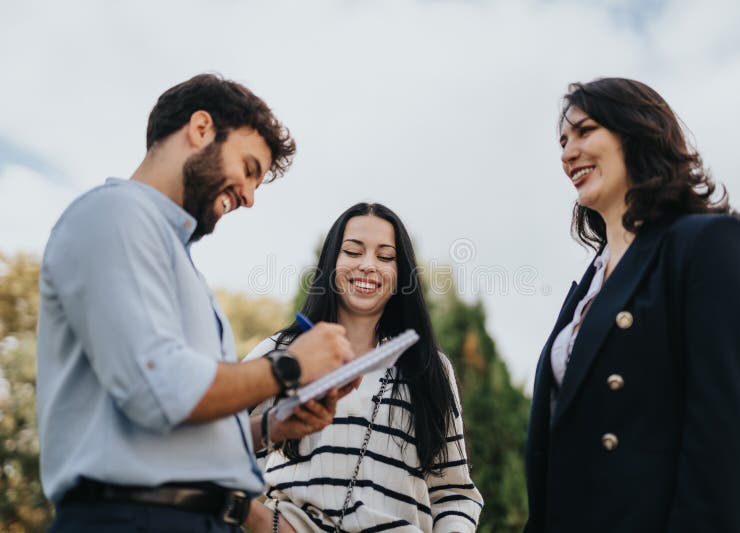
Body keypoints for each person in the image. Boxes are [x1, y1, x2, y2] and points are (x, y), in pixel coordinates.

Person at [36, 73, 356, 532]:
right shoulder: (114, 215)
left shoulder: (176, 262)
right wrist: (288, 367)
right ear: (201, 129)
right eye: (248, 169)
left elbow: (174, 428)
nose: (248, 197)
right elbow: (160, 390)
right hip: (132, 519)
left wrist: (273, 428)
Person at [524, 78, 740, 532]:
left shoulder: (708, 244)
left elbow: (724, 442)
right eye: (562, 141)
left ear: (635, 131)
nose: (567, 153)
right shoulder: (588, 287)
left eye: (584, 131)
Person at [243, 203, 483, 533]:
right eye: (353, 251)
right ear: (331, 262)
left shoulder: (429, 367)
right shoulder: (283, 352)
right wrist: (254, 518)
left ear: (401, 275)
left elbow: (454, 494)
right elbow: (215, 440)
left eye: (385, 257)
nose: (368, 266)